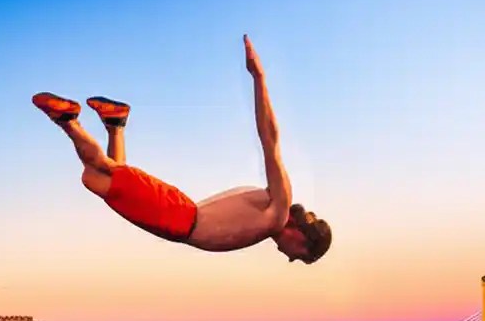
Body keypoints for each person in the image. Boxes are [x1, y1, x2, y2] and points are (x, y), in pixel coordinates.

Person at [32, 35, 331, 263]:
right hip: (177, 218)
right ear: (302, 238)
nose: (290, 258)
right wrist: (258, 77)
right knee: (97, 176)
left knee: (114, 181)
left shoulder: (271, 212)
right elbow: (270, 141)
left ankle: (116, 123)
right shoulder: (278, 209)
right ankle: (68, 120)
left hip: (178, 219)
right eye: (299, 256)